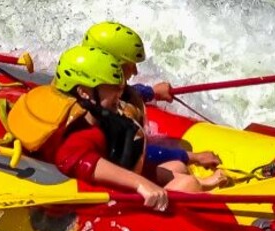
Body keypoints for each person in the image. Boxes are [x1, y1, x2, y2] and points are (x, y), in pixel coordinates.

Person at [3, 45, 217, 211]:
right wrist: (140, 183)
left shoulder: (96, 116)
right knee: (188, 186)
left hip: (112, 182)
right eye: (114, 87)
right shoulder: (81, 131)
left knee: (178, 169)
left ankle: (198, 185)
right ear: (85, 92)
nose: (121, 92)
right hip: (96, 204)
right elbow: (74, 159)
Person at [80, 20, 222, 180]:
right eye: (128, 65)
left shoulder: (101, 93)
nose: (135, 71)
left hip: (125, 169)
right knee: (181, 171)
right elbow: (135, 152)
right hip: (116, 176)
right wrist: (192, 157)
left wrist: (151, 92)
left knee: (178, 168)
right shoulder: (103, 113)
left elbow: (128, 92)